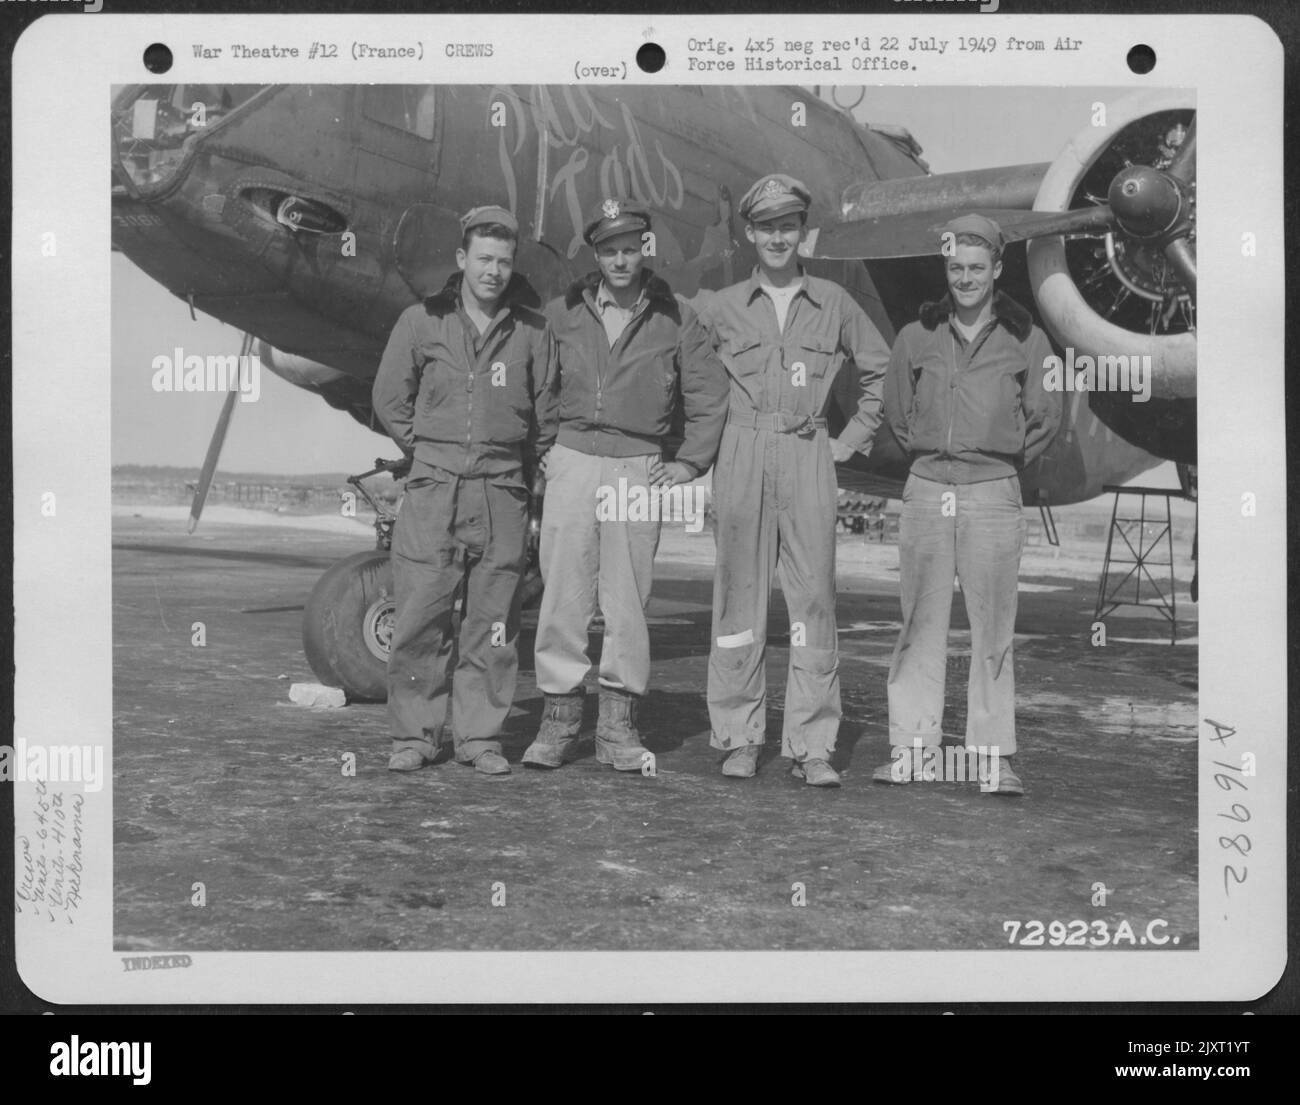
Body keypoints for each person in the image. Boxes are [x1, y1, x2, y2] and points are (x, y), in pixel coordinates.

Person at [523, 197, 728, 772]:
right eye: (608, 250)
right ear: (596, 254)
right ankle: (558, 724)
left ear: (644, 250)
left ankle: (617, 728)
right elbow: (538, 384)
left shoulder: (675, 317)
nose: (619, 260)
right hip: (572, 462)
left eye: (629, 248)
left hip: (638, 467)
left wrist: (689, 464)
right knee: (563, 595)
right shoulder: (562, 312)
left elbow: (710, 397)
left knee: (627, 601)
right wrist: (545, 452)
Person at [700, 174, 890, 787]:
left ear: (802, 233)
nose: (778, 238)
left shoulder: (834, 303)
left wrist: (849, 440)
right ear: (750, 233)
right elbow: (686, 376)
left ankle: (812, 745)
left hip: (808, 451)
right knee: (739, 597)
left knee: (813, 602)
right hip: (742, 450)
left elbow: (882, 371)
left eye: (789, 226)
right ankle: (738, 736)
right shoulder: (721, 306)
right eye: (767, 227)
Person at [877, 213, 1062, 796]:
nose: (965, 278)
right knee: (919, 624)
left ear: (997, 269)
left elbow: (1045, 418)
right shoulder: (915, 336)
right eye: (955, 268)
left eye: (976, 268)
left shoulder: (1029, 340)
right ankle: (913, 749)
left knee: (993, 629)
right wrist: (936, 456)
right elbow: (899, 411)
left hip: (992, 494)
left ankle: (991, 757)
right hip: (928, 489)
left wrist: (994, 461)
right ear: (946, 268)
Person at [371, 205, 557, 775]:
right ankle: (415, 737)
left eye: (504, 261)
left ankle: (480, 739)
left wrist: (516, 471)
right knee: (421, 618)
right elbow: (388, 399)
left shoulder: (533, 330)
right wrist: (430, 451)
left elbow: (547, 415)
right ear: (462, 260)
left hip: (502, 491)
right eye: (484, 259)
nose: (494, 271)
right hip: (433, 491)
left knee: (494, 624)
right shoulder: (420, 323)